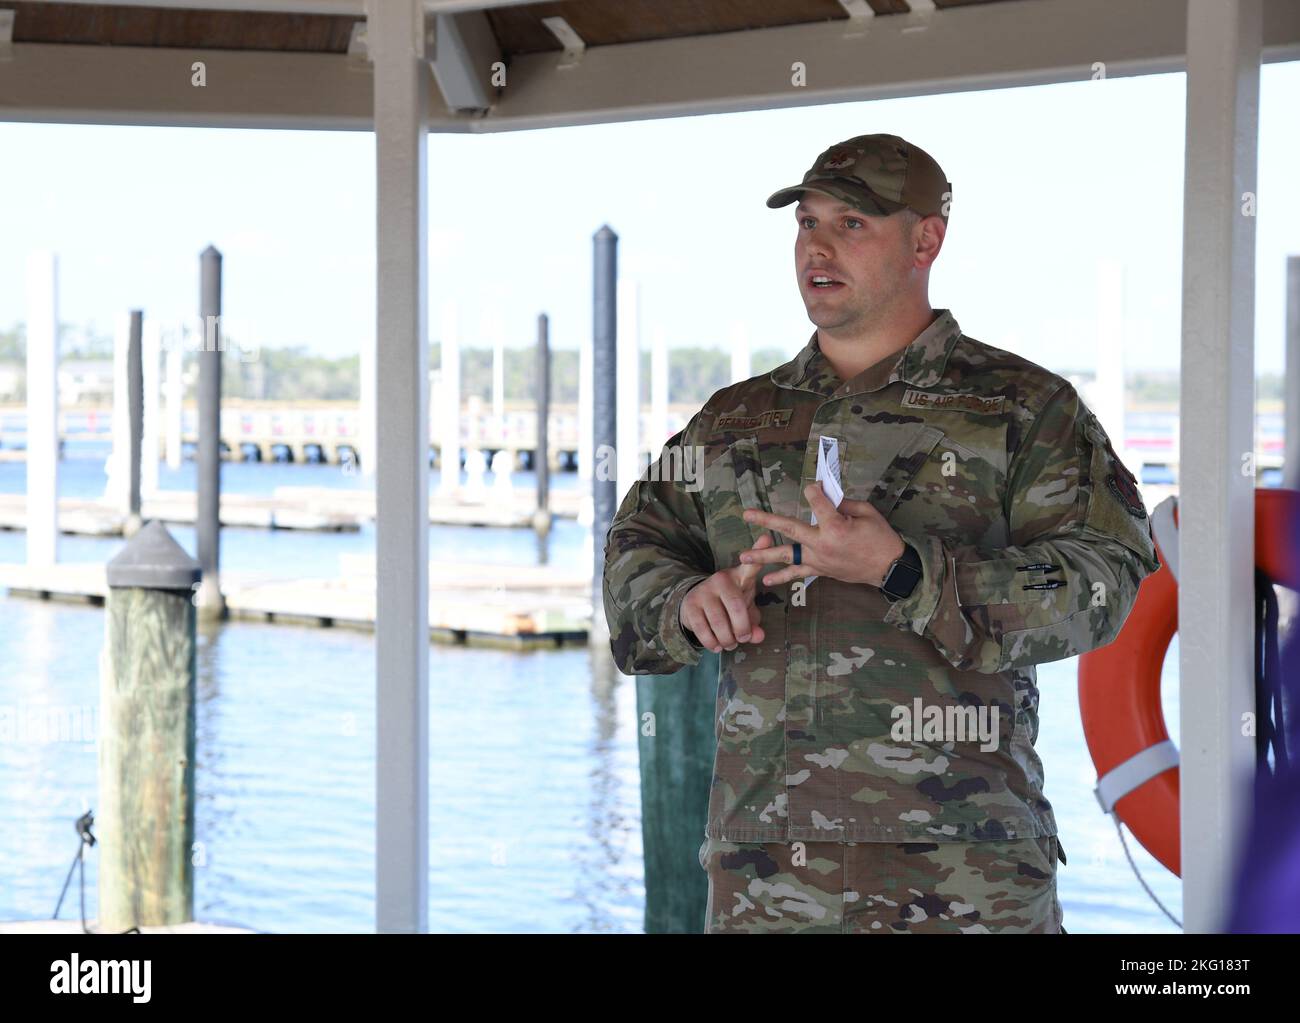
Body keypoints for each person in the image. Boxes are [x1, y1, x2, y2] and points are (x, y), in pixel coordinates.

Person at [602, 133, 1162, 933]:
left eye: (852, 223)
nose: (817, 246)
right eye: (806, 222)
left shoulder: (1024, 410)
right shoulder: (733, 420)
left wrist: (905, 571)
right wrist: (687, 600)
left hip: (965, 886)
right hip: (767, 886)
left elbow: (1104, 583)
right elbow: (634, 546)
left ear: (926, 239)